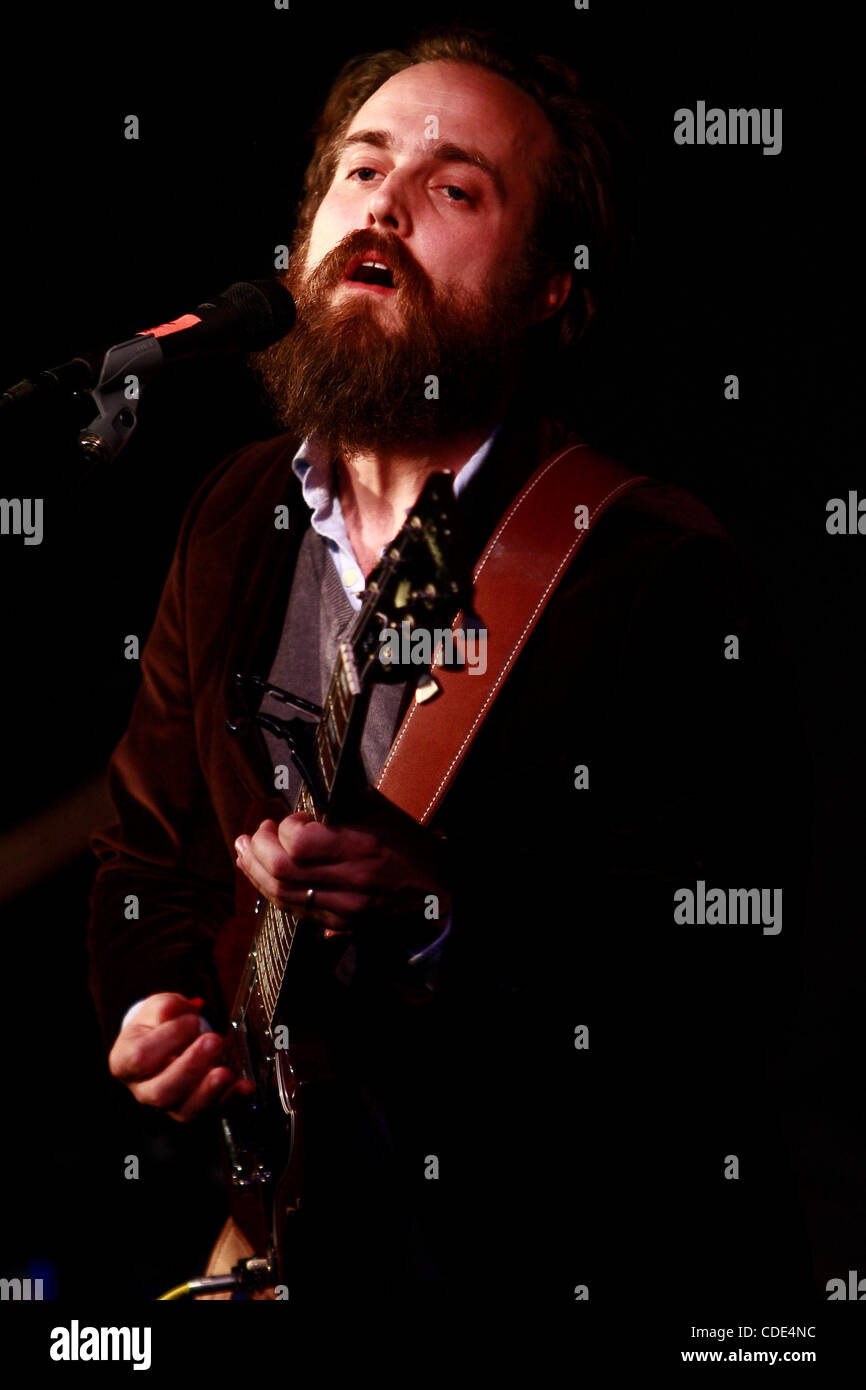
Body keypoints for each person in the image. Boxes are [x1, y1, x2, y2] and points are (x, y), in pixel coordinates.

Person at [88, 26, 812, 1313]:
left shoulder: (645, 568)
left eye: (453, 188)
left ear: (548, 283)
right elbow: (147, 851)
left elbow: (730, 974)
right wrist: (158, 1003)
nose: (385, 207)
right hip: (282, 1226)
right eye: (360, 173)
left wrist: (439, 920)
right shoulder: (231, 509)